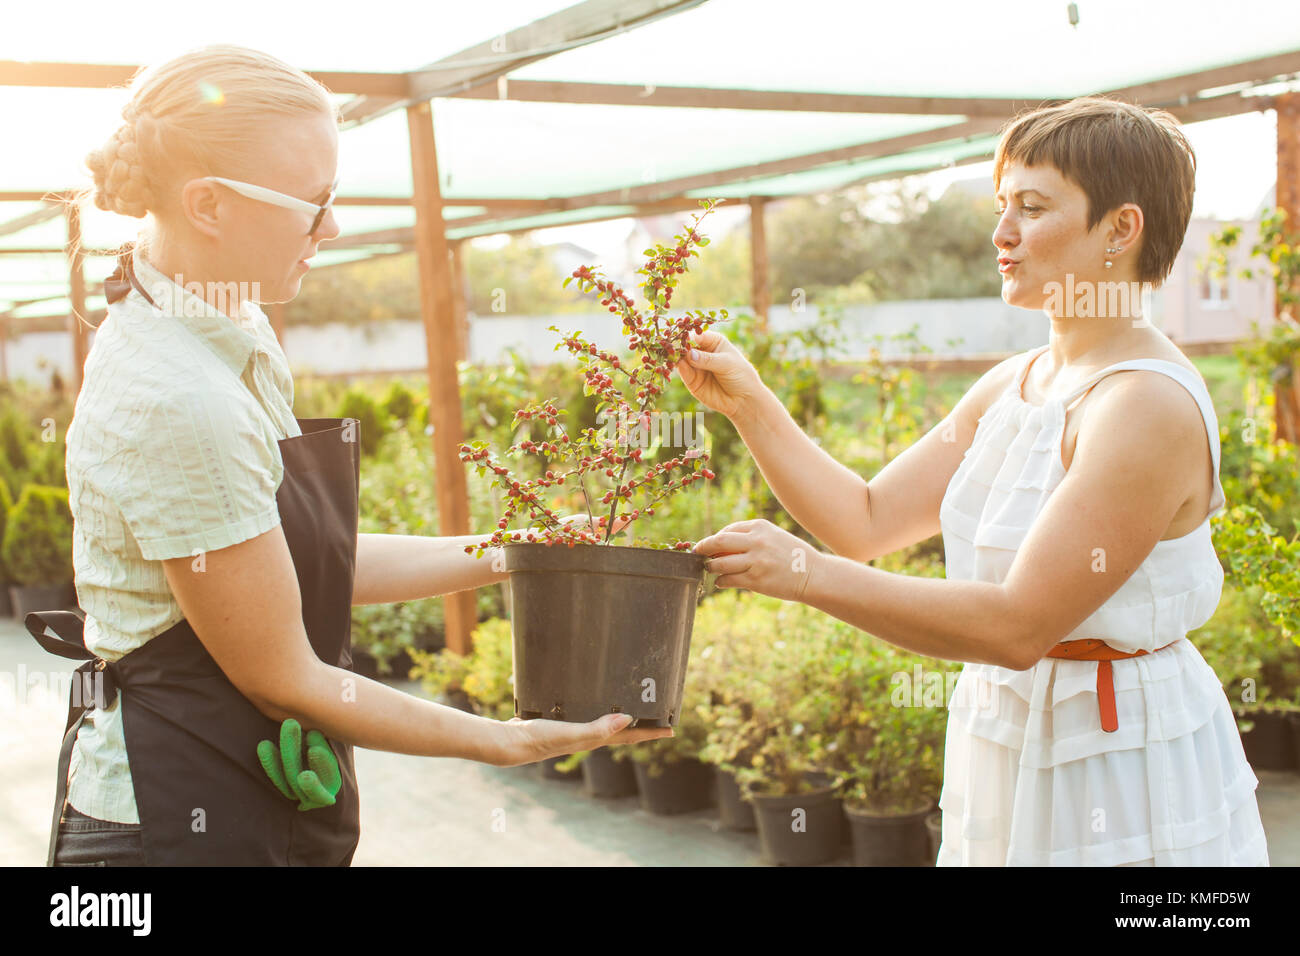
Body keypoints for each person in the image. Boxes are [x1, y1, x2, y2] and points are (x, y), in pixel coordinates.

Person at [32, 44, 667, 868]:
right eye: (313, 202)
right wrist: (501, 741)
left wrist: (517, 556)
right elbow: (284, 675)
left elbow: (298, 568)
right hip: (165, 821)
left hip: (232, 790)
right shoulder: (177, 397)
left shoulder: (231, 329)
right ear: (208, 204)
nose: (331, 226)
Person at [681, 95, 1270, 866]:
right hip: (1005, 730)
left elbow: (1016, 626)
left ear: (1120, 230)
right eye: (1002, 205)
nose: (1001, 234)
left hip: (1118, 754)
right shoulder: (1013, 383)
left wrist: (802, 575)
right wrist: (749, 404)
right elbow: (863, 519)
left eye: (1031, 207)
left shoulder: (1143, 403)